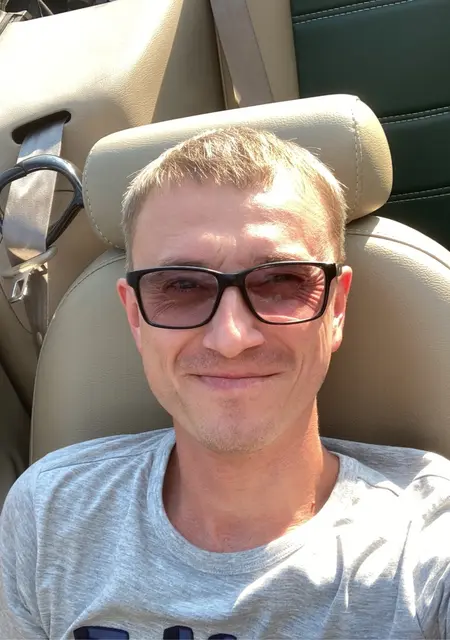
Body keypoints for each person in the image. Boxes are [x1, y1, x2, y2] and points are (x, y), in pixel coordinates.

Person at [0, 127, 449, 640]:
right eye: (181, 286)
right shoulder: (50, 513)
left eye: (281, 280)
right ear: (136, 317)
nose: (231, 338)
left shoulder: (426, 541)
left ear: (337, 307)